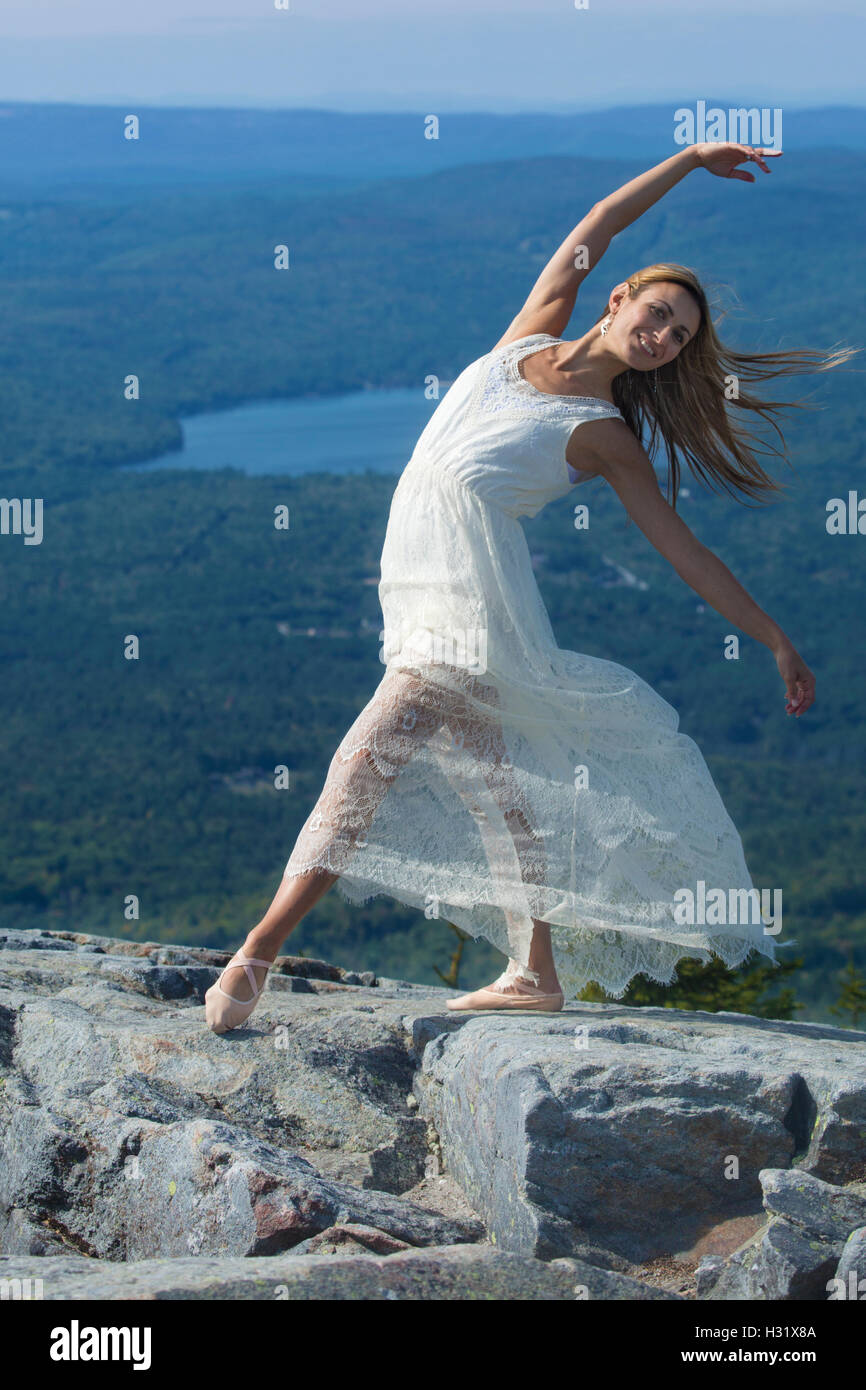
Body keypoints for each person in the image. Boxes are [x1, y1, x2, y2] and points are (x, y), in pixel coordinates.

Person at [206, 141, 852, 1034]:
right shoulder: (531, 332)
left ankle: (256, 955)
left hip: (472, 609)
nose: (662, 337)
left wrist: (773, 636)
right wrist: (692, 158)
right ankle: (534, 970)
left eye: (679, 337)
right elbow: (598, 223)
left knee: (364, 763)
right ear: (619, 297)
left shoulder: (603, 435)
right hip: (421, 593)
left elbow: (684, 550)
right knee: (499, 795)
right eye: (658, 313)